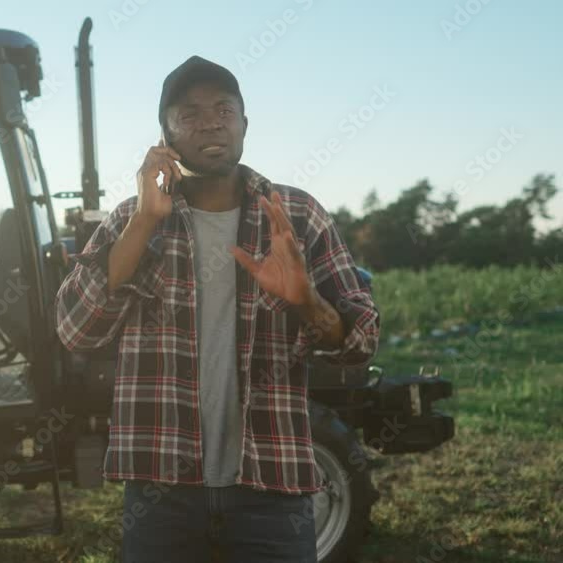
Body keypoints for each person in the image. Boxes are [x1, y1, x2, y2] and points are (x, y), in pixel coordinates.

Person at [54, 55, 381, 562]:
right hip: (161, 488)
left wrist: (306, 301)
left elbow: (360, 345)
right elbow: (76, 331)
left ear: (244, 123)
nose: (210, 121)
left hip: (274, 484)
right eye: (189, 112)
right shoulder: (131, 219)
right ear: (163, 136)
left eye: (223, 108)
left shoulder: (297, 215)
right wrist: (143, 221)